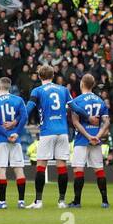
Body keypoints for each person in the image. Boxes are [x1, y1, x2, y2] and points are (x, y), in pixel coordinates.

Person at [26, 64, 73, 209]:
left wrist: (17, 121)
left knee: (41, 165)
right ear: (53, 76)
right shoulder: (63, 90)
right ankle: (62, 201)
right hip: (63, 132)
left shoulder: (37, 90)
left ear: (39, 76)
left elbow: (29, 108)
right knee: (62, 166)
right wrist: (88, 117)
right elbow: (74, 107)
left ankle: (38, 201)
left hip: (47, 131)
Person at [66, 73, 110, 208]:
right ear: (93, 85)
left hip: (82, 139)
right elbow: (107, 122)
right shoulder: (100, 100)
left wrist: (87, 136)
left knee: (78, 169)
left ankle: (77, 201)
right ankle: (104, 201)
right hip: (96, 140)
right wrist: (98, 135)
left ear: (82, 84)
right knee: (99, 170)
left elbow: (75, 122)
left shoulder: (77, 100)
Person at [0, 76, 28, 209]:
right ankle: (21, 201)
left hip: (1, 139)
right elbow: (24, 117)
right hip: (16, 139)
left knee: (1, 168)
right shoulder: (18, 100)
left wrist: (6, 134)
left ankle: (2, 202)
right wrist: (15, 132)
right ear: (9, 87)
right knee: (18, 168)